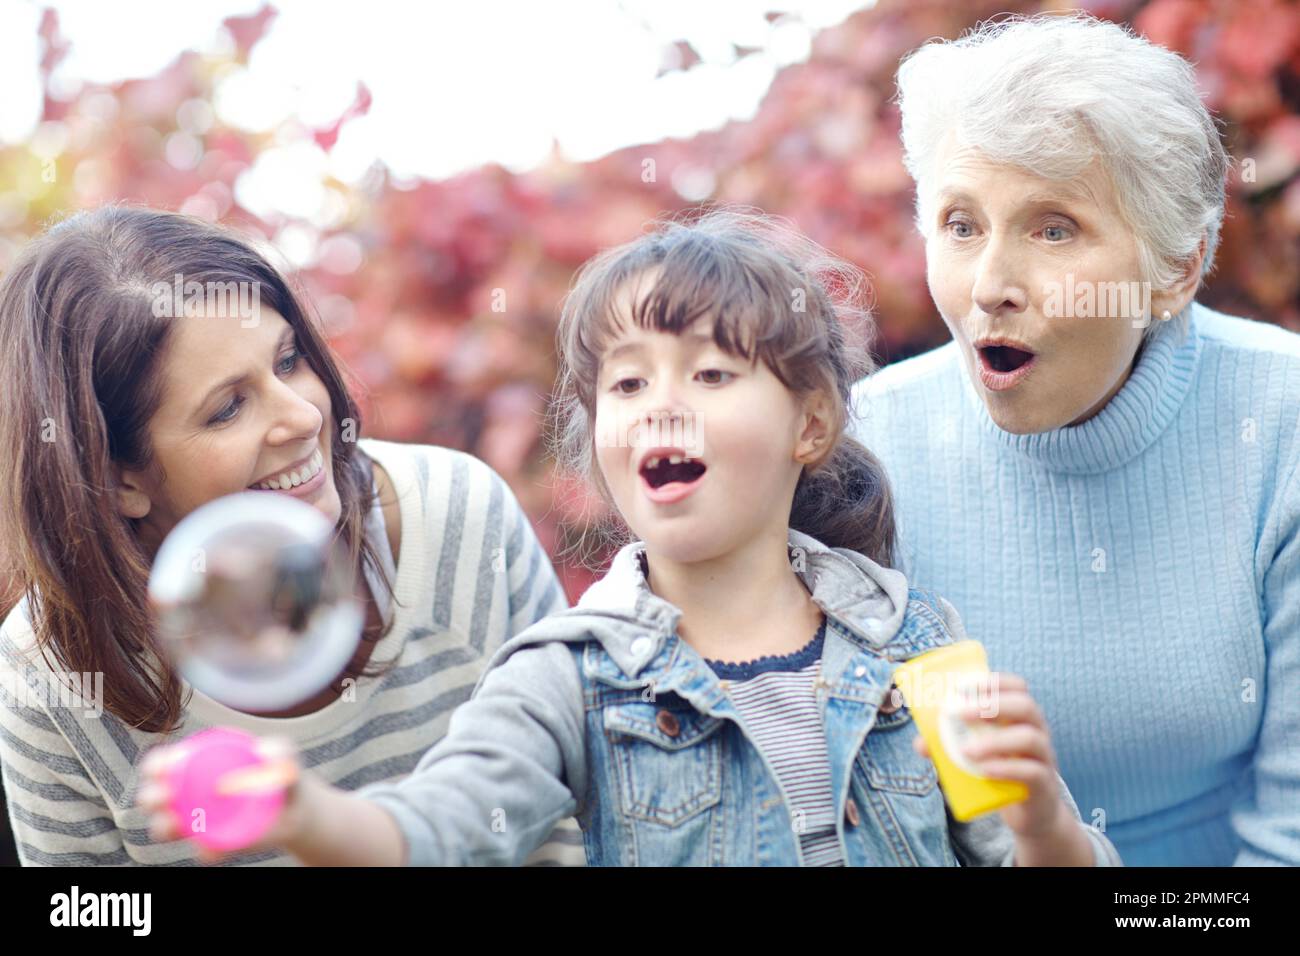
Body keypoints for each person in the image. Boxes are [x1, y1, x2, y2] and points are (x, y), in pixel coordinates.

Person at [137, 208, 1122, 866]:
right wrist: (304, 813)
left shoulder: (912, 638)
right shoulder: (564, 676)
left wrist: (1041, 817)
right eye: (627, 382)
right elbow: (436, 827)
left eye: (708, 374)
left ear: (810, 425)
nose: (660, 406)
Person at [0, 205, 584, 865]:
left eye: (287, 360)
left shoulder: (458, 515)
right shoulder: (47, 672)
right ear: (120, 477)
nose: (303, 416)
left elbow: (574, 801)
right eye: (227, 408)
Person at [852, 13, 1300, 865]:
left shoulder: (1283, 423)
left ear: (1176, 266)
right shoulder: (872, 446)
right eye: (960, 224)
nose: (989, 287)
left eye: (1052, 228)